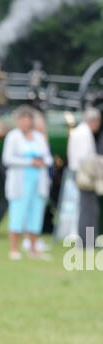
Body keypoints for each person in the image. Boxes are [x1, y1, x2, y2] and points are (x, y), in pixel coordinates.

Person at [2, 107, 53, 259]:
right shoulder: (13, 137)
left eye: (28, 119)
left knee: (35, 214)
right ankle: (14, 249)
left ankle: (33, 249)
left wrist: (42, 162)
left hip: (38, 182)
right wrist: (30, 161)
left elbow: (48, 158)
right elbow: (7, 159)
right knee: (18, 214)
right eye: (22, 119)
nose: (25, 122)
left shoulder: (38, 137)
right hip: (21, 182)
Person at [66, 106, 102, 247]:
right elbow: (84, 158)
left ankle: (89, 240)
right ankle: (86, 242)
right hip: (85, 174)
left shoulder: (81, 132)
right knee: (88, 208)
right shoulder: (83, 133)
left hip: (83, 173)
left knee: (89, 208)